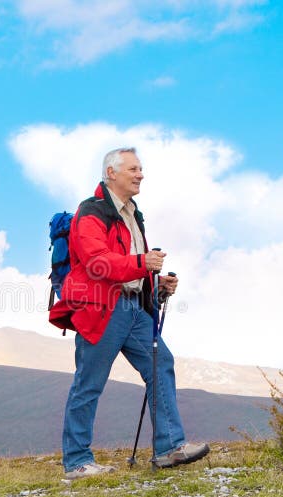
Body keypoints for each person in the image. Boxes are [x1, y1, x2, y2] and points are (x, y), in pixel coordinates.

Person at [49, 147, 210, 479]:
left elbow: (132, 266)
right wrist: (142, 263)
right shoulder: (91, 212)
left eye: (141, 169)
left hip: (134, 307)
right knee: (89, 383)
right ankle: (77, 461)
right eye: (133, 169)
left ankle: (168, 448)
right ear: (112, 173)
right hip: (101, 308)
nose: (140, 174)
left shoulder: (133, 214)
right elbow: (96, 261)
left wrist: (156, 282)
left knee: (160, 363)